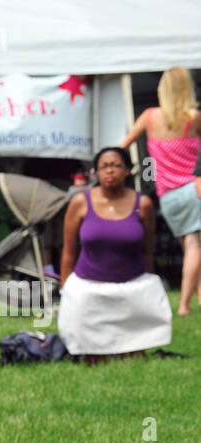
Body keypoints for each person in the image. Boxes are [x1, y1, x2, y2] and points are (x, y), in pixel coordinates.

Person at [58, 146, 171, 362]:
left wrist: (148, 285)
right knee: (93, 358)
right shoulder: (80, 202)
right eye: (104, 166)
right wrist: (66, 289)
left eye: (116, 166)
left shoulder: (143, 204)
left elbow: (147, 251)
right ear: (96, 172)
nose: (110, 171)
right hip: (89, 288)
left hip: (132, 288)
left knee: (133, 357)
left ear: (127, 170)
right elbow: (68, 252)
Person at [120, 67, 201, 316]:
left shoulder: (149, 117)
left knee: (191, 248)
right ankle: (185, 305)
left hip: (167, 195)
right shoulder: (194, 117)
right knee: (194, 247)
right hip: (194, 188)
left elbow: (122, 148)